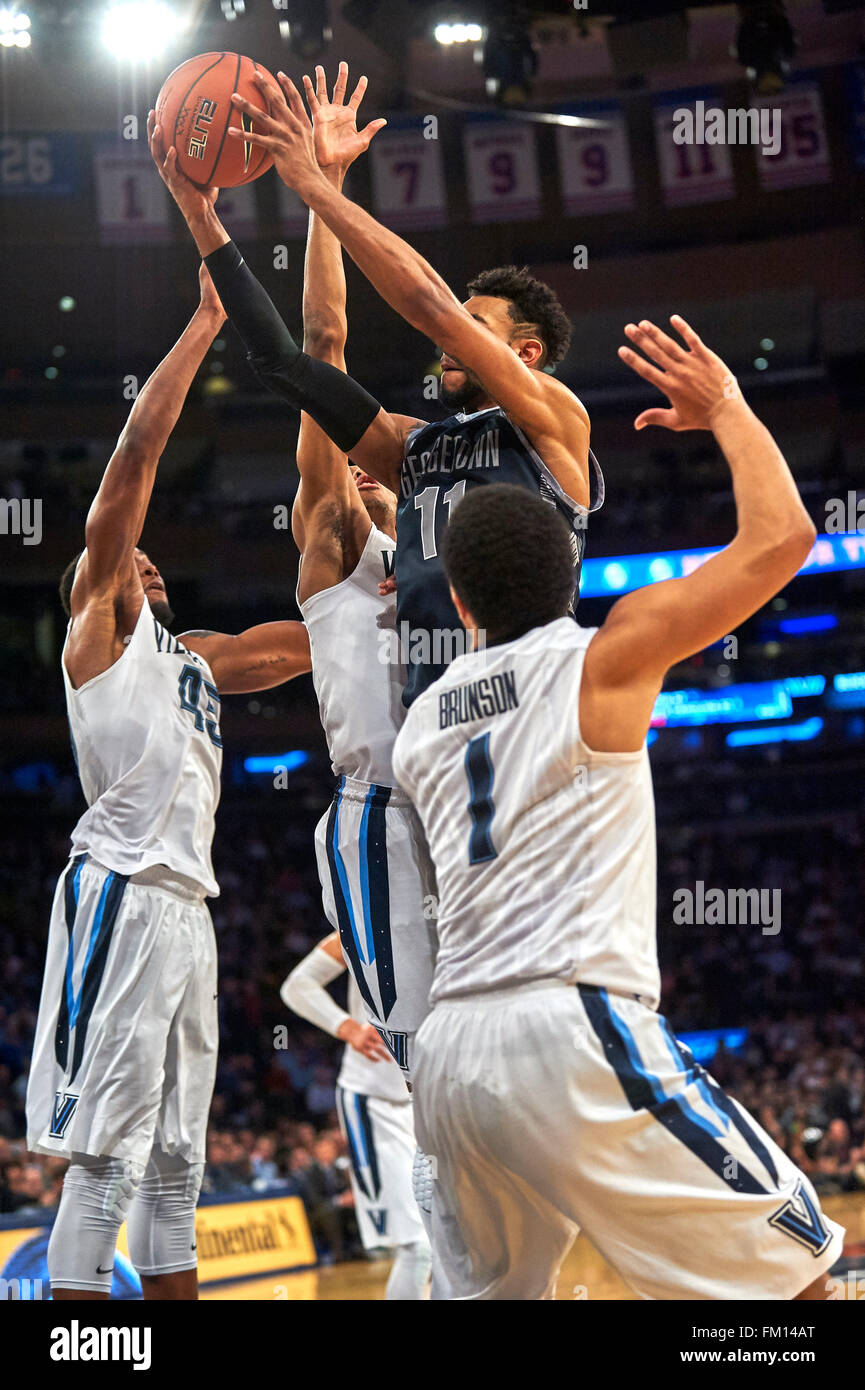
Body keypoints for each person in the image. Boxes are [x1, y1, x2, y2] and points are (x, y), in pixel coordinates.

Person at [391, 315, 843, 1300]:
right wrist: (725, 407)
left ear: (460, 603)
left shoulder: (421, 722)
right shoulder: (608, 650)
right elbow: (784, 538)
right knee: (799, 1283)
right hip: (572, 1028)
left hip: (450, 1058)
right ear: (573, 577)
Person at [25, 267, 311, 1301]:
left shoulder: (193, 655)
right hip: (121, 887)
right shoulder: (102, 637)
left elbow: (297, 648)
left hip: (190, 906)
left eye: (152, 564)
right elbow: (139, 456)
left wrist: (388, 563)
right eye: (125, 561)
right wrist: (202, 325)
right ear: (91, 594)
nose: (145, 565)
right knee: (105, 1160)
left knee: (179, 1160)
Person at [148, 74, 437, 1082]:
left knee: (503, 1046)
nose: (356, 454)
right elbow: (322, 347)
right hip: (383, 814)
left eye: (376, 446)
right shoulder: (335, 542)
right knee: (422, 1067)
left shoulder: (448, 551)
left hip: (473, 794)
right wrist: (320, 189)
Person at [163, 62, 605, 705]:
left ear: (525, 352)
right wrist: (203, 219)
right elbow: (296, 364)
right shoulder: (413, 452)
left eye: (476, 325)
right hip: (435, 723)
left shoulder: (555, 423)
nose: (452, 339)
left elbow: (430, 305)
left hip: (528, 698)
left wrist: (317, 188)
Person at [281, 934, 431, 1299]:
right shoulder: (359, 926)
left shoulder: (443, 911)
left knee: (445, 1239)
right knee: (418, 1247)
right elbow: (297, 986)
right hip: (373, 1103)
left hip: (426, 1099)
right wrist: (347, 1028)